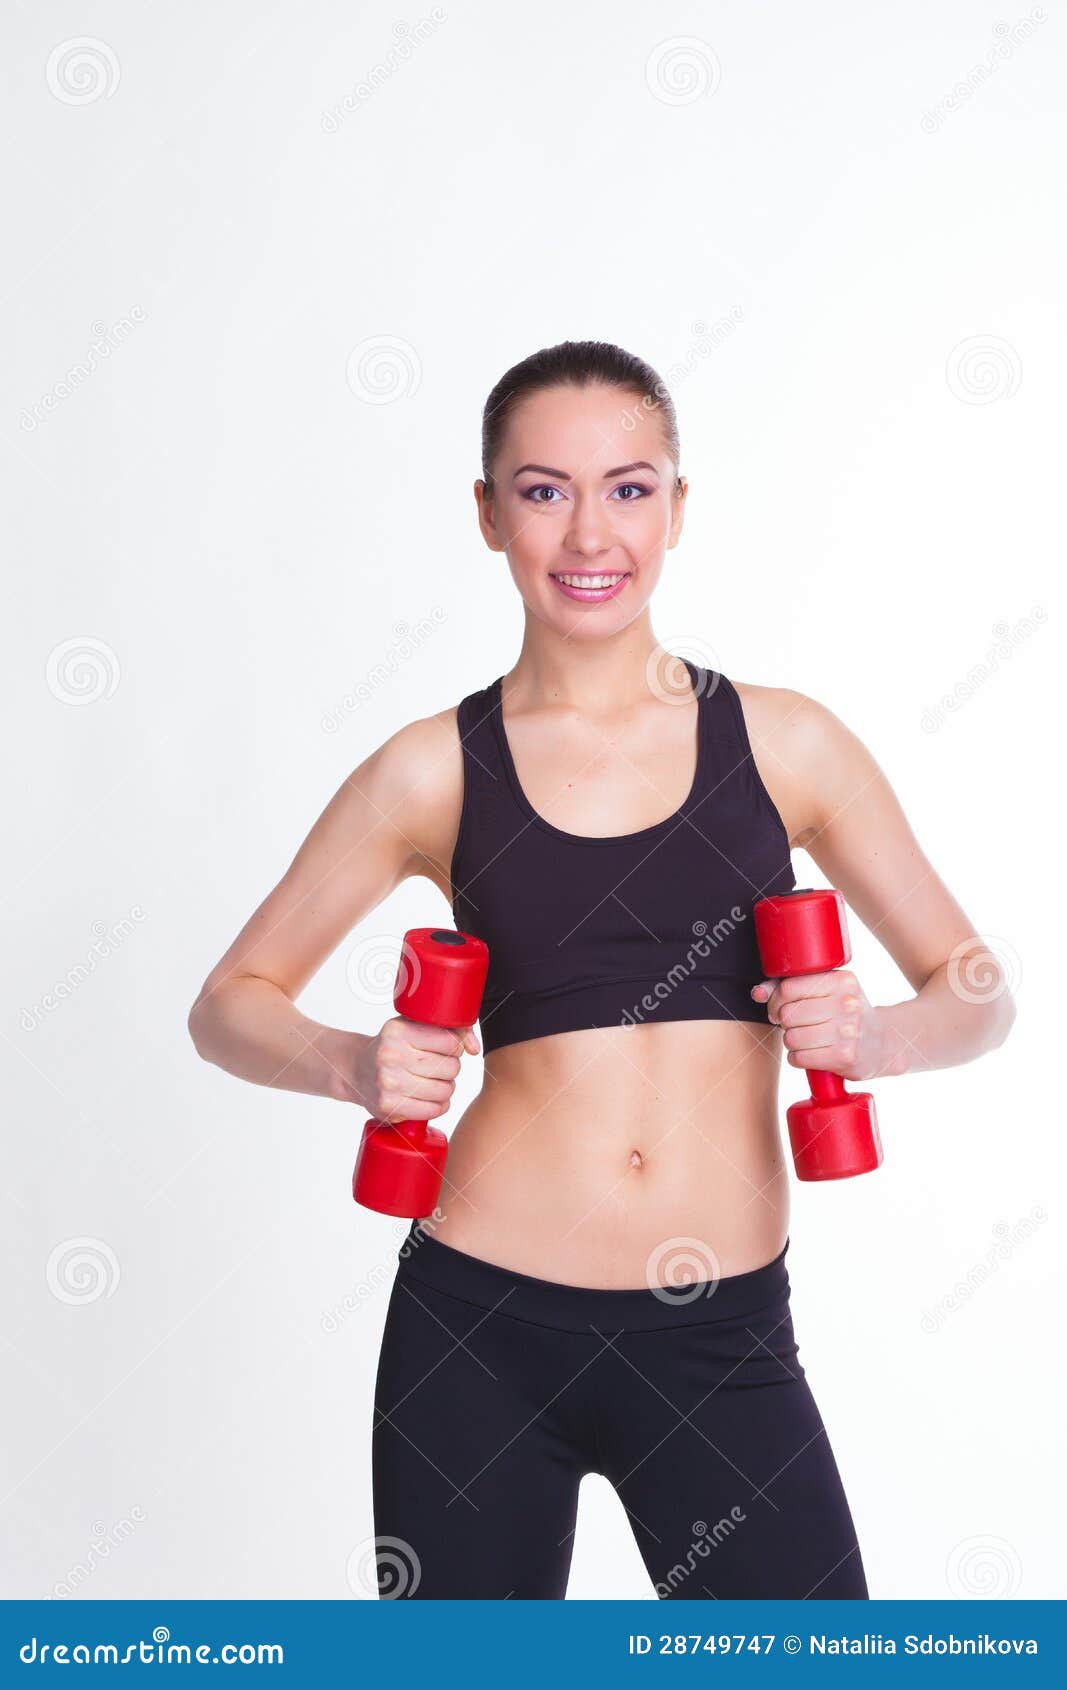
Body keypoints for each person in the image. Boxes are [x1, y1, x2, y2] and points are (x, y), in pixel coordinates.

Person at [188, 340, 1016, 1600]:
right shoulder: (431, 768)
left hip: (717, 1336)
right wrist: (354, 1063)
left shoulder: (785, 743)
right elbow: (226, 1005)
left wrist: (878, 1037)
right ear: (487, 514)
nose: (589, 531)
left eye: (628, 488)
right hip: (477, 1333)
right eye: (541, 489)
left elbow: (976, 989)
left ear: (678, 508)